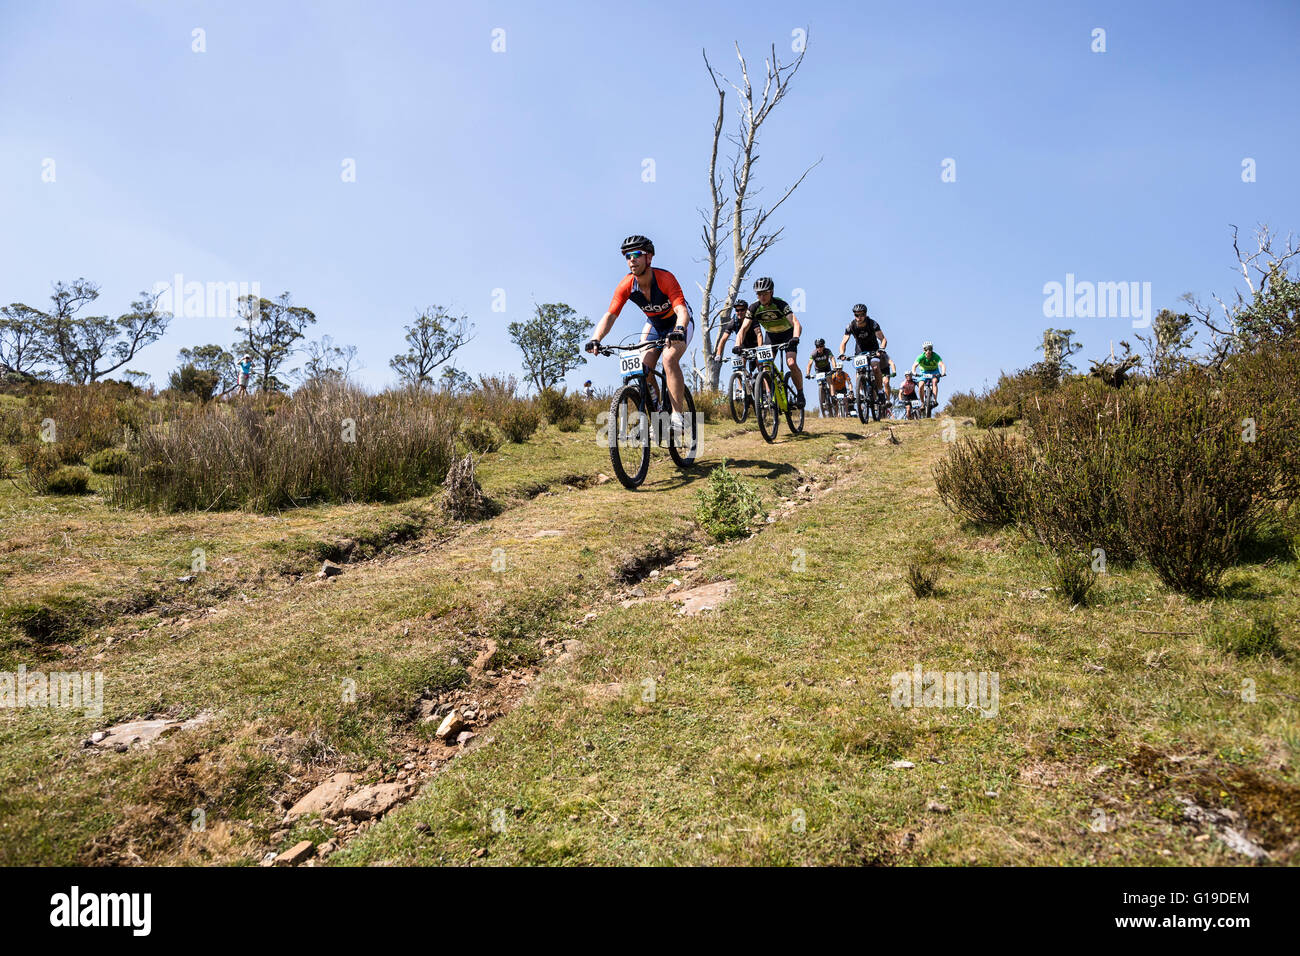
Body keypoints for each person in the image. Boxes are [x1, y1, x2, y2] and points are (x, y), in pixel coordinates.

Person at [585, 235, 693, 437]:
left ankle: (678, 417)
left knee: (669, 359)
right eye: (627, 256)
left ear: (649, 258)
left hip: (677, 323)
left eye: (636, 254)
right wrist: (596, 339)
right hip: (654, 324)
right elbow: (610, 315)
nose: (631, 259)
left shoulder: (665, 279)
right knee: (644, 368)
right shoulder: (626, 284)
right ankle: (659, 416)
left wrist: (679, 330)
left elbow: (682, 310)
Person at [732, 277, 804, 408]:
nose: (762, 297)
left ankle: (800, 392)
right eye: (759, 294)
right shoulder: (754, 307)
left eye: (765, 293)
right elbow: (743, 329)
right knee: (764, 366)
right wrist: (737, 345)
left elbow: (796, 323)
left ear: (771, 292)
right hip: (771, 336)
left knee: (791, 363)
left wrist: (795, 338)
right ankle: (769, 394)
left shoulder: (780, 304)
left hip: (788, 334)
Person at [838, 303, 891, 400]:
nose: (859, 317)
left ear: (865, 314)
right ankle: (861, 392)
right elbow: (843, 342)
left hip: (873, 350)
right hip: (860, 351)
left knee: (875, 367)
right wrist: (842, 353)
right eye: (856, 315)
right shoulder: (851, 326)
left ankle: (879, 390)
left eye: (861, 315)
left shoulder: (872, 323)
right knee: (859, 371)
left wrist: (881, 349)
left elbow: (883, 339)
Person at [910, 341, 948, 411]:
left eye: (930, 349)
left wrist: (943, 372)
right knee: (921, 385)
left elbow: (942, 365)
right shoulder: (920, 357)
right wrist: (914, 372)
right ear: (924, 350)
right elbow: (914, 365)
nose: (928, 351)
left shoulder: (935, 356)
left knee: (934, 381)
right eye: (926, 349)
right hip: (924, 372)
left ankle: (935, 400)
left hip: (934, 371)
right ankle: (922, 403)